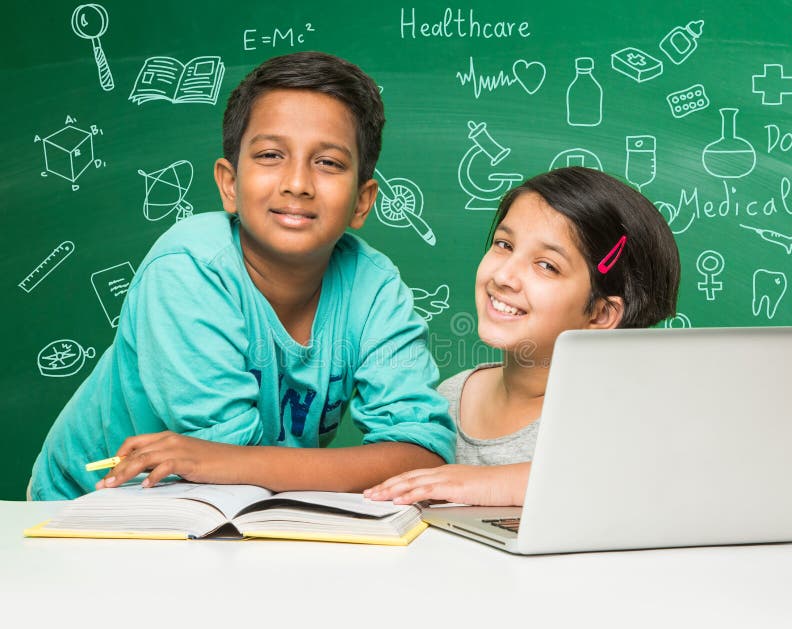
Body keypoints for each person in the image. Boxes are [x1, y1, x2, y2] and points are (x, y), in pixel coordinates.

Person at [29, 51, 455, 500]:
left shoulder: (376, 289)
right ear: (229, 184)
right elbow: (222, 464)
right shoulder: (189, 268)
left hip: (248, 511)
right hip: (84, 505)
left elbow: (422, 454)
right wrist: (224, 461)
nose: (297, 183)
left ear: (362, 201)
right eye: (271, 155)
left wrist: (222, 461)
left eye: (328, 163)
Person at [364, 167, 681, 507]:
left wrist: (491, 484)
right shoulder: (450, 398)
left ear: (600, 314)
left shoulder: (621, 415)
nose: (503, 275)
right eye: (504, 244)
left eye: (546, 265)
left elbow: (634, 482)